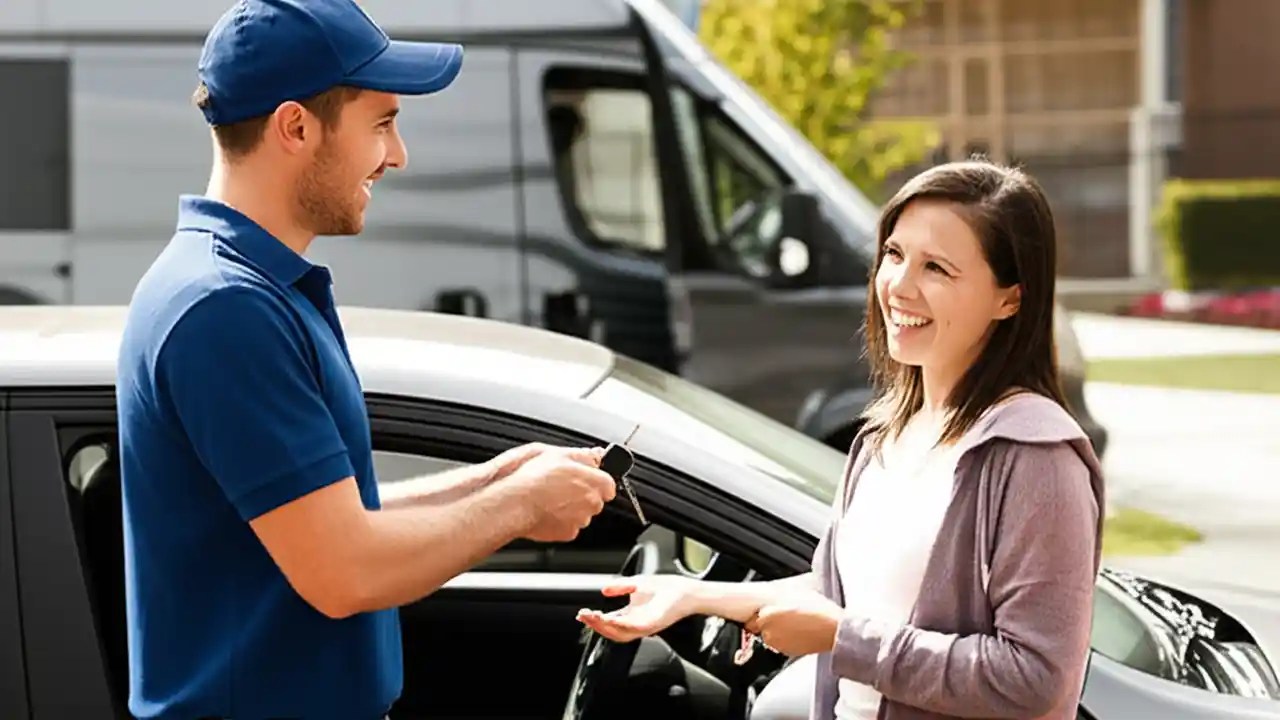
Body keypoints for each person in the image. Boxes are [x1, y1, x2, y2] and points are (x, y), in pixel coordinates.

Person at [113, 1, 618, 718]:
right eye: (381, 123)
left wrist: (490, 483)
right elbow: (343, 569)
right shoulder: (224, 307)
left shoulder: (239, 288)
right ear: (295, 126)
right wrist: (520, 504)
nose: (398, 154)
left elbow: (331, 522)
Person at [578, 159, 1106, 720]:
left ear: (1010, 299)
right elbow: (844, 594)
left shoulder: (1036, 458)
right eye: (895, 255)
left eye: (937, 269)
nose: (899, 286)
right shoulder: (885, 432)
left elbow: (1035, 681)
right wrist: (695, 598)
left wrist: (842, 639)